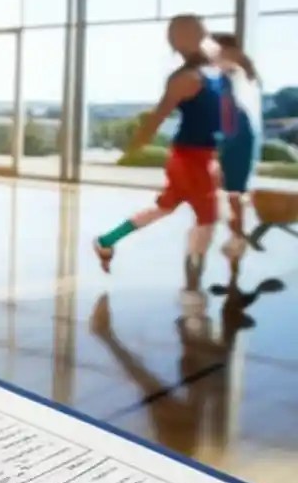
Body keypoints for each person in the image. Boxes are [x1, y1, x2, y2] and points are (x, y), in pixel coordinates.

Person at [93, 15, 231, 287]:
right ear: (180, 41)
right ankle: (192, 285)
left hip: (201, 156)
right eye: (194, 33)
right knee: (207, 217)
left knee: (165, 207)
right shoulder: (185, 78)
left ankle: (106, 240)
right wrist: (135, 145)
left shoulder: (212, 73)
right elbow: (158, 117)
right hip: (191, 158)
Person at [211, 32, 263, 258]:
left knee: (233, 192)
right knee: (230, 192)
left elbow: (235, 114)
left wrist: (220, 144)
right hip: (234, 137)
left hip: (238, 139)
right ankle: (237, 235)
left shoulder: (236, 76)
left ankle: (237, 237)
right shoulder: (230, 76)